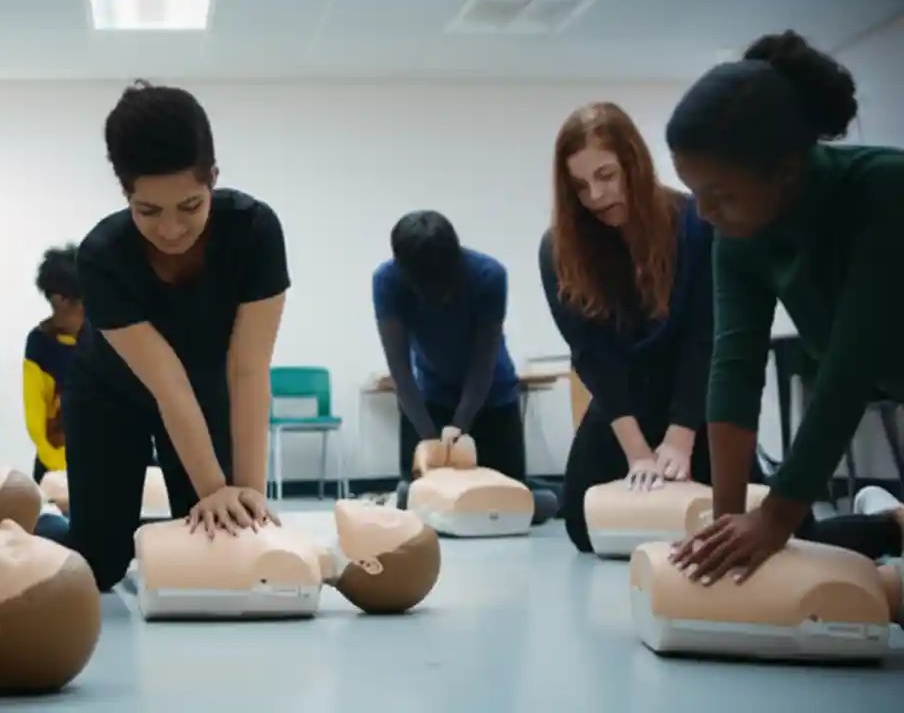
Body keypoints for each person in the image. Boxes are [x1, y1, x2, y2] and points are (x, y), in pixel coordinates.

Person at [665, 30, 904, 583]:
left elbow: (849, 366)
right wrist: (726, 521)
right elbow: (734, 365)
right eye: (694, 192)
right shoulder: (740, 230)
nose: (704, 212)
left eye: (720, 195)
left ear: (787, 172)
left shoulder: (885, 193)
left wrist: (775, 515)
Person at [62, 80, 286, 591]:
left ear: (213, 179)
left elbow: (248, 368)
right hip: (107, 395)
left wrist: (246, 494)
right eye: (149, 211)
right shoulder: (102, 256)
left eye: (189, 206)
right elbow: (166, 384)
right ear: (126, 195)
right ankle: (41, 529)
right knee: (99, 562)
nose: (170, 230)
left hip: (208, 384)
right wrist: (214, 485)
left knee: (217, 535)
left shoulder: (255, 231)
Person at [539, 102, 716, 554]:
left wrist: (680, 437)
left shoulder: (695, 223)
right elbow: (592, 356)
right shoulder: (559, 249)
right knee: (581, 525)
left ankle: (888, 520)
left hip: (693, 400)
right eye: (580, 186)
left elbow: (703, 337)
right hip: (623, 405)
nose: (595, 196)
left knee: (753, 518)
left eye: (606, 175)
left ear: (634, 163)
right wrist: (638, 452)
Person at [372, 210, 557, 522]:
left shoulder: (488, 276)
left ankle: (551, 496)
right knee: (416, 498)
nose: (438, 298)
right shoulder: (388, 281)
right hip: (430, 398)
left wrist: (460, 423)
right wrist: (429, 436)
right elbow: (400, 368)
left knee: (508, 505)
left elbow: (482, 361)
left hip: (492, 397)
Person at [23, 244, 83, 482]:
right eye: (53, 305)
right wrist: (59, 467)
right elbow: (35, 415)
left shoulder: (109, 337)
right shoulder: (41, 342)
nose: (56, 314)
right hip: (55, 462)